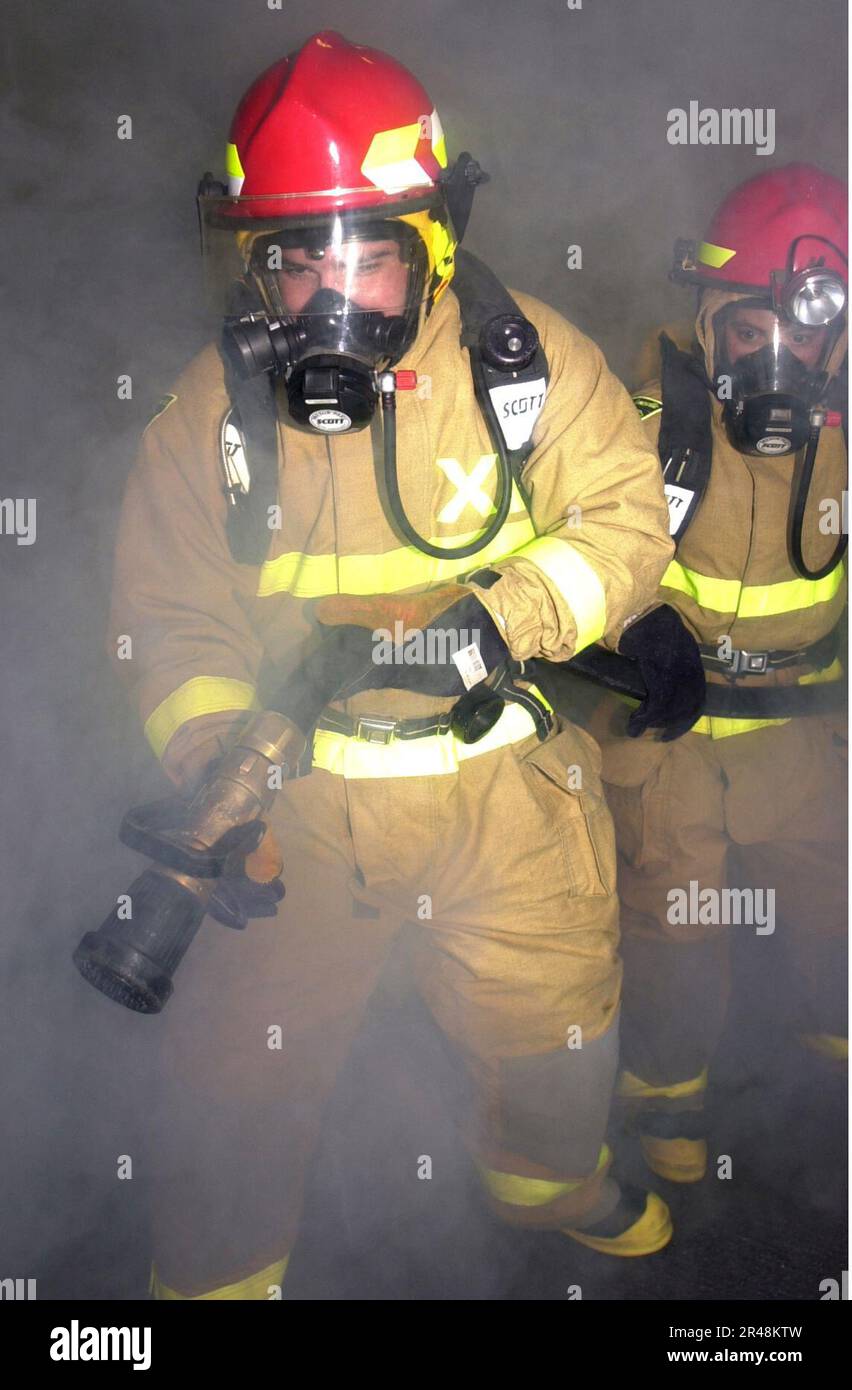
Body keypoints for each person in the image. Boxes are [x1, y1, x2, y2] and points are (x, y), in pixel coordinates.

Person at [107, 30, 677, 1299]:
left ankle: (546, 1183)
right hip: (293, 809)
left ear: (435, 242)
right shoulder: (212, 409)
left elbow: (629, 525)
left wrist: (506, 613)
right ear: (253, 261)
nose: (327, 298)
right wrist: (214, 773)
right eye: (293, 256)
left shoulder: (527, 366)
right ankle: (211, 1287)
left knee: (556, 1027)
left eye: (366, 254)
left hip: (508, 789)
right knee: (236, 1076)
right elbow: (168, 607)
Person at [589, 164, 847, 1184]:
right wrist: (635, 621)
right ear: (706, 323)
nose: (777, 357)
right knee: (673, 932)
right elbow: (571, 530)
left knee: (842, 906)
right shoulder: (637, 416)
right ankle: (666, 1099)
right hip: (668, 729)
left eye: (805, 328)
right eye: (749, 330)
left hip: (805, 728)